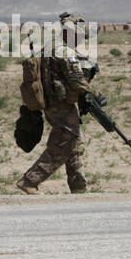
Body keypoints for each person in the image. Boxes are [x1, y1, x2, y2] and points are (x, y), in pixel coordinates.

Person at [17, 12, 99, 194]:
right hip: (60, 105)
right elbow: (77, 81)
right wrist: (96, 94)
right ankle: (30, 180)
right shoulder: (65, 51)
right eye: (81, 36)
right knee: (62, 143)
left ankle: (79, 187)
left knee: (75, 144)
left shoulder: (51, 46)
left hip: (55, 103)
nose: (82, 40)